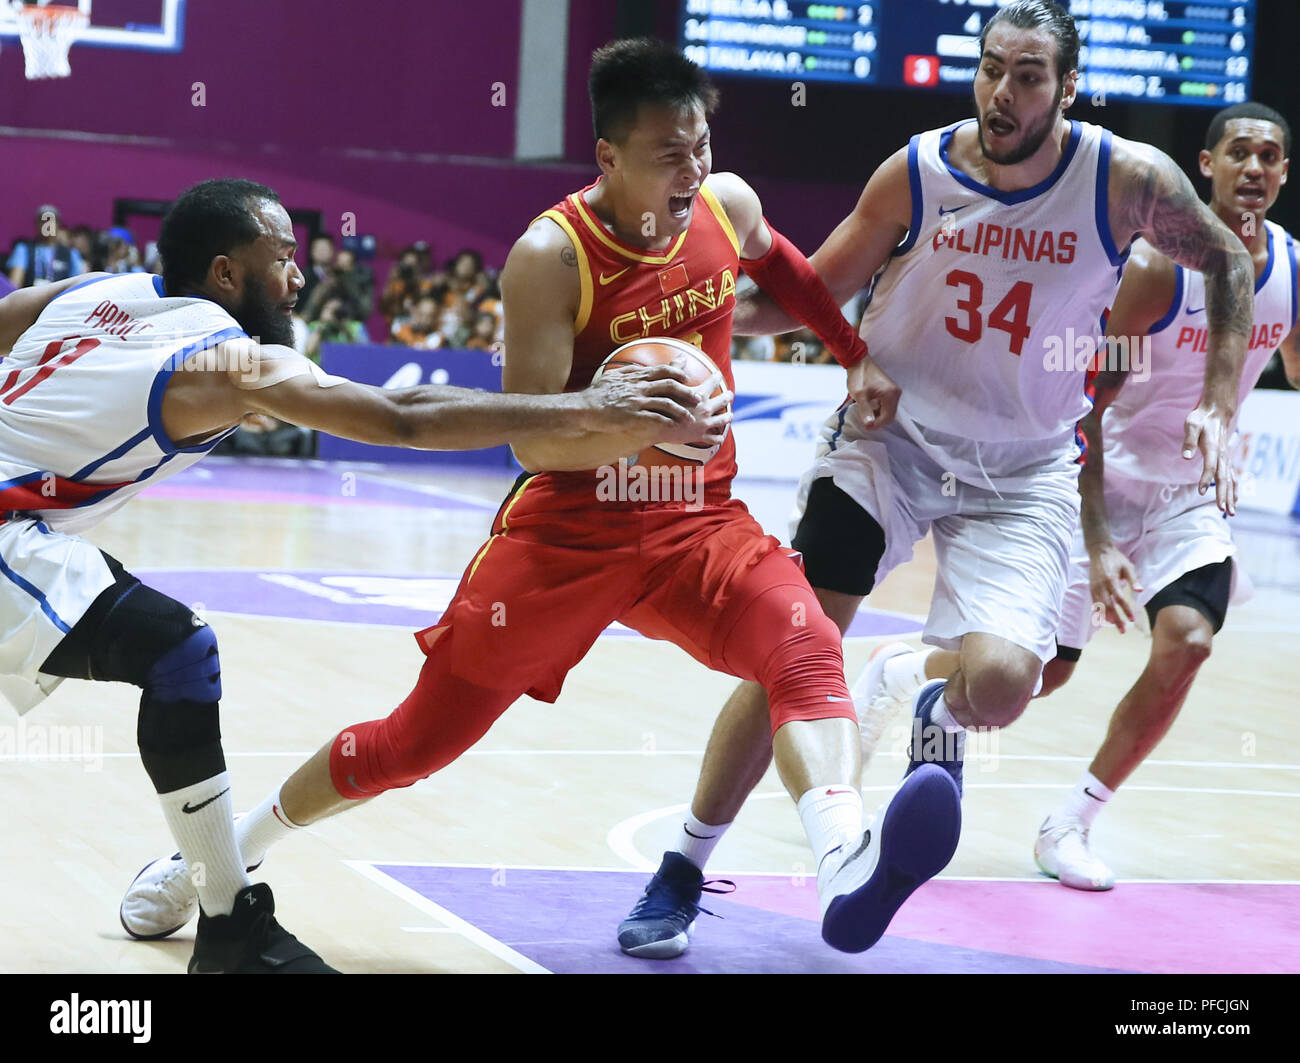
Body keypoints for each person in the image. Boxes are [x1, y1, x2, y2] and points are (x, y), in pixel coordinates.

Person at [120, 37, 962, 961]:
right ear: (608, 157)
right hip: (571, 535)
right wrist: (624, 422)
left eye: (702, 145)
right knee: (412, 744)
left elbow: (785, 266)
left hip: (700, 521)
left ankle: (844, 858)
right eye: (668, 154)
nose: (695, 169)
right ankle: (226, 859)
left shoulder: (727, 206)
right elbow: (530, 437)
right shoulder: (550, 255)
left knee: (804, 643)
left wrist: (853, 353)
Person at [613, 0, 1256, 958]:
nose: (1002, 92)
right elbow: (810, 291)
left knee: (1002, 683)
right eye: (991, 67)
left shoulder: (1125, 181)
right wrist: (671, 308)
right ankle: (682, 866)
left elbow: (1232, 260)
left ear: (1068, 88)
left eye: (1028, 75)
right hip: (892, 439)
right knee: (797, 638)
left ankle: (927, 699)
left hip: (1026, 465)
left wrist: (1218, 400)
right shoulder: (918, 170)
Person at [0, 177, 725, 974]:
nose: (301, 275)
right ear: (224, 274)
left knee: (172, 650)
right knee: (177, 652)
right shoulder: (229, 360)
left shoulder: (92, 291)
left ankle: (226, 918)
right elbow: (399, 417)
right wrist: (587, 407)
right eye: (282, 258)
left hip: (24, 529)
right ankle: (230, 927)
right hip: (9, 529)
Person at [1032, 102, 1299, 889]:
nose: (1255, 168)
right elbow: (1083, 404)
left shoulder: (1291, 269)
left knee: (1187, 639)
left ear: (1284, 175)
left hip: (1188, 499)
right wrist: (1098, 540)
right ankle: (914, 683)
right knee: (1038, 674)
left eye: (1272, 157)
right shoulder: (1156, 269)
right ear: (1206, 167)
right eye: (1240, 153)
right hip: (1100, 483)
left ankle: (1069, 823)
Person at [7, 205, 84, 288]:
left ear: (58, 224)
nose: (46, 225)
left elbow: (78, 285)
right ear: (36, 224)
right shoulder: (24, 249)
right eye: (42, 221)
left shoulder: (70, 253)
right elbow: (14, 285)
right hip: (30, 298)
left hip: (60, 299)